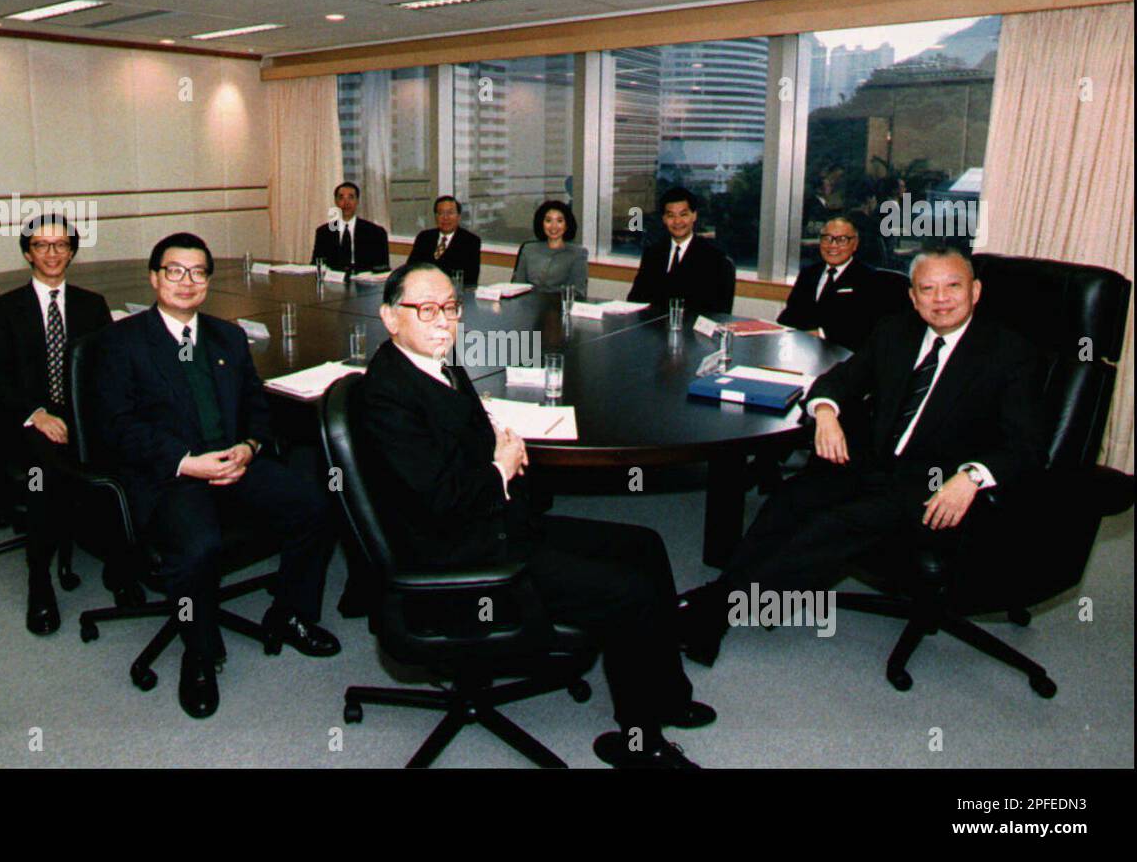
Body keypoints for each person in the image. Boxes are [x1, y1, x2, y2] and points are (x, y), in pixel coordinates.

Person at [357, 262, 712, 769]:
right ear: (391, 318)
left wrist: (500, 440)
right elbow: (436, 499)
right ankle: (641, 745)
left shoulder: (432, 363)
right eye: (428, 310)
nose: (444, 322)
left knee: (644, 545)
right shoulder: (387, 393)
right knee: (628, 592)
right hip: (459, 558)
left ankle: (666, 695)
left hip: (493, 521)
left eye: (452, 309)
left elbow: (455, 439)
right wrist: (498, 467)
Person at [680, 245, 1046, 665]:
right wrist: (825, 413)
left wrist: (973, 476)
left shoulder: (1008, 353)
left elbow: (1028, 445)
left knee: (830, 526)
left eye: (953, 287)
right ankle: (724, 601)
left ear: (975, 291)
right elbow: (838, 381)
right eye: (927, 289)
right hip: (876, 463)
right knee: (790, 500)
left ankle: (714, 612)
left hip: (934, 485)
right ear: (912, 296)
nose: (940, 299)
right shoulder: (895, 331)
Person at [94, 233, 340, 720]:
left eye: (198, 272)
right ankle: (200, 654)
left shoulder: (227, 336)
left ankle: (290, 613)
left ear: (208, 280)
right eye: (174, 271)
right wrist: (187, 462)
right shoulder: (120, 342)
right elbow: (116, 428)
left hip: (234, 465)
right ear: (154, 278)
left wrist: (249, 448)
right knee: (199, 546)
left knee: (317, 503)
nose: (187, 282)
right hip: (171, 475)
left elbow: (256, 407)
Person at [0, 213, 112, 636]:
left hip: (83, 418)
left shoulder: (92, 305)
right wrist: (37, 414)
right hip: (28, 421)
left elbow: (107, 370)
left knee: (131, 454)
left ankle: (123, 561)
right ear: (27, 254)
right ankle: (39, 577)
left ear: (71, 252)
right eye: (41, 245)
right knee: (42, 476)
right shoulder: (2, 311)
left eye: (60, 245)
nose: (52, 253)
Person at [777, 213, 899, 351]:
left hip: (846, 357)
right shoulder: (808, 273)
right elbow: (787, 317)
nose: (832, 245)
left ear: (855, 244)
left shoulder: (869, 279)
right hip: (803, 350)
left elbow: (862, 329)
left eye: (842, 239)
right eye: (827, 238)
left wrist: (820, 334)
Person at [627, 187, 735, 315]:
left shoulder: (715, 259)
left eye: (683, 214)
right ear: (664, 219)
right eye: (671, 215)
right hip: (653, 330)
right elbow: (635, 300)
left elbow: (717, 312)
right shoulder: (652, 253)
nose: (677, 221)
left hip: (692, 332)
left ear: (694, 216)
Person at [511, 200, 588, 297]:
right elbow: (517, 286)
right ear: (541, 223)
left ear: (567, 224)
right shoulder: (528, 249)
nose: (553, 226)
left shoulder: (578, 254)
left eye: (559, 221)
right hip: (529, 306)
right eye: (548, 221)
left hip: (559, 308)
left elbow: (578, 292)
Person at [311, 182, 390, 272]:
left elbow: (382, 268)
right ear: (336, 202)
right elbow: (316, 265)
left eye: (351, 197)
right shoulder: (324, 232)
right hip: (333, 281)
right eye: (341, 198)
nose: (346, 203)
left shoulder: (375, 232)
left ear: (357, 201)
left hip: (363, 282)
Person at [407, 195, 482, 287]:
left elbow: (470, 279)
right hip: (423, 289)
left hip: (452, 294)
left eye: (450, 213)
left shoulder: (471, 241)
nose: (445, 218)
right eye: (441, 213)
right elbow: (410, 269)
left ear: (458, 216)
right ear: (435, 216)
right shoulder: (424, 237)